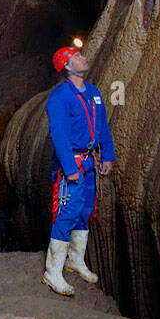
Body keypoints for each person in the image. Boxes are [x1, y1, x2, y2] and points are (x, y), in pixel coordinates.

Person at [42, 43, 116, 296]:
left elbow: (102, 127)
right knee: (67, 212)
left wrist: (107, 155)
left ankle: (75, 260)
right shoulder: (59, 98)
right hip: (72, 164)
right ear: (67, 66)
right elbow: (59, 134)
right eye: (77, 57)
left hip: (89, 163)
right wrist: (69, 166)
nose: (83, 58)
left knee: (84, 210)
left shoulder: (93, 93)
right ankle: (53, 271)